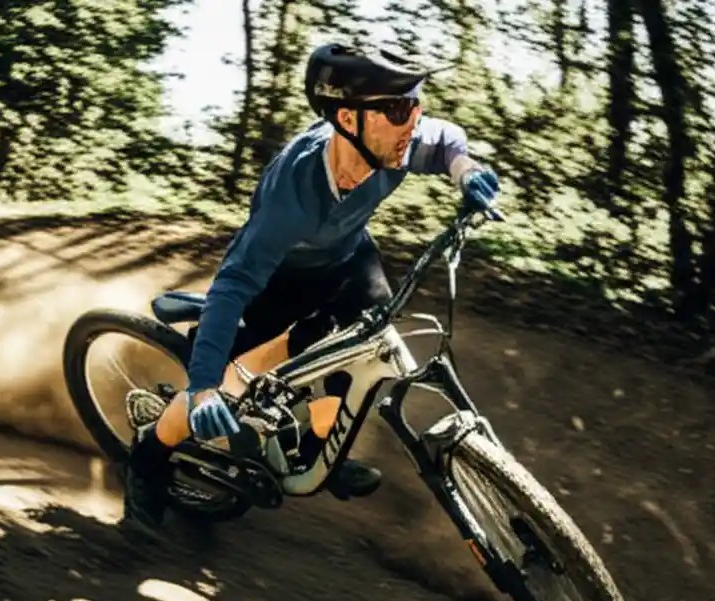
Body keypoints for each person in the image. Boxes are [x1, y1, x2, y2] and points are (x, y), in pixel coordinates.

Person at [120, 41, 502, 534]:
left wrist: (465, 170)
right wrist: (202, 387)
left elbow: (447, 139)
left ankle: (319, 448)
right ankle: (147, 460)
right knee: (226, 385)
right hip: (280, 279)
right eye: (399, 107)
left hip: (348, 258)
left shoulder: (395, 145)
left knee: (361, 346)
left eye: (416, 101)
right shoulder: (294, 193)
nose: (414, 117)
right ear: (347, 118)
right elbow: (233, 285)